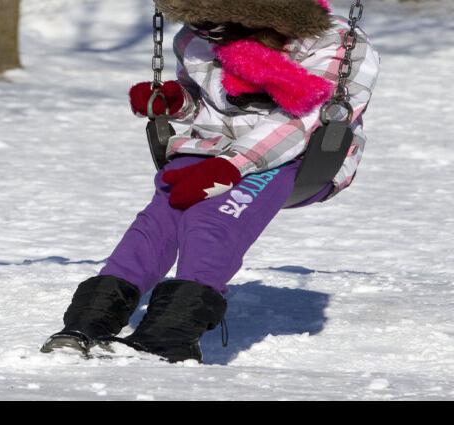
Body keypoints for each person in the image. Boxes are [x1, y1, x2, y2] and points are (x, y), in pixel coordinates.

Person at [42, 0, 380, 363]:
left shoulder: (337, 41)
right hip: (212, 149)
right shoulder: (194, 38)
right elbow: (205, 102)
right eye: (200, 20)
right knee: (157, 221)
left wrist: (231, 166)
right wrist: (176, 102)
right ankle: (89, 322)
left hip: (298, 157)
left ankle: (171, 337)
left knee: (212, 219)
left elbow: (307, 119)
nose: (205, 30)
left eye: (215, 22)